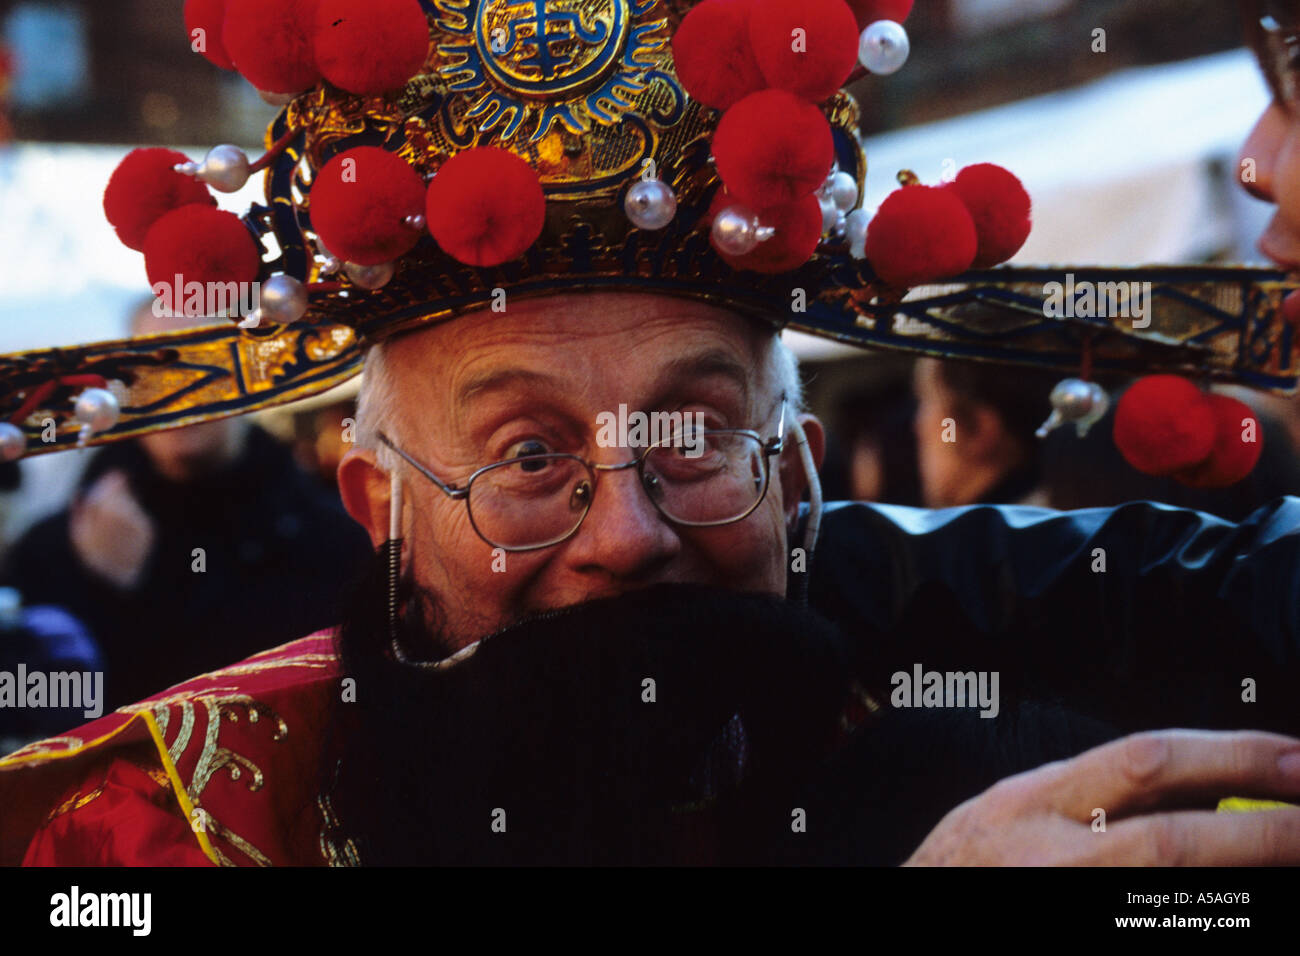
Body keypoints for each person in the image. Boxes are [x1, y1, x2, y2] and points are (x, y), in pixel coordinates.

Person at [3, 0, 1300, 866]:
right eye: (528, 457)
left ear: (793, 471)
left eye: (690, 434)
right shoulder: (153, 829)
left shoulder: (1037, 733)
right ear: (378, 507)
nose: (626, 535)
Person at [0, 301, 372, 709]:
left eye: (200, 358)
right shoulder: (55, 547)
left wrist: (137, 590)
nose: (177, 388)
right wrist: (102, 587)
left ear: (242, 372)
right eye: (151, 368)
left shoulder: (333, 541)